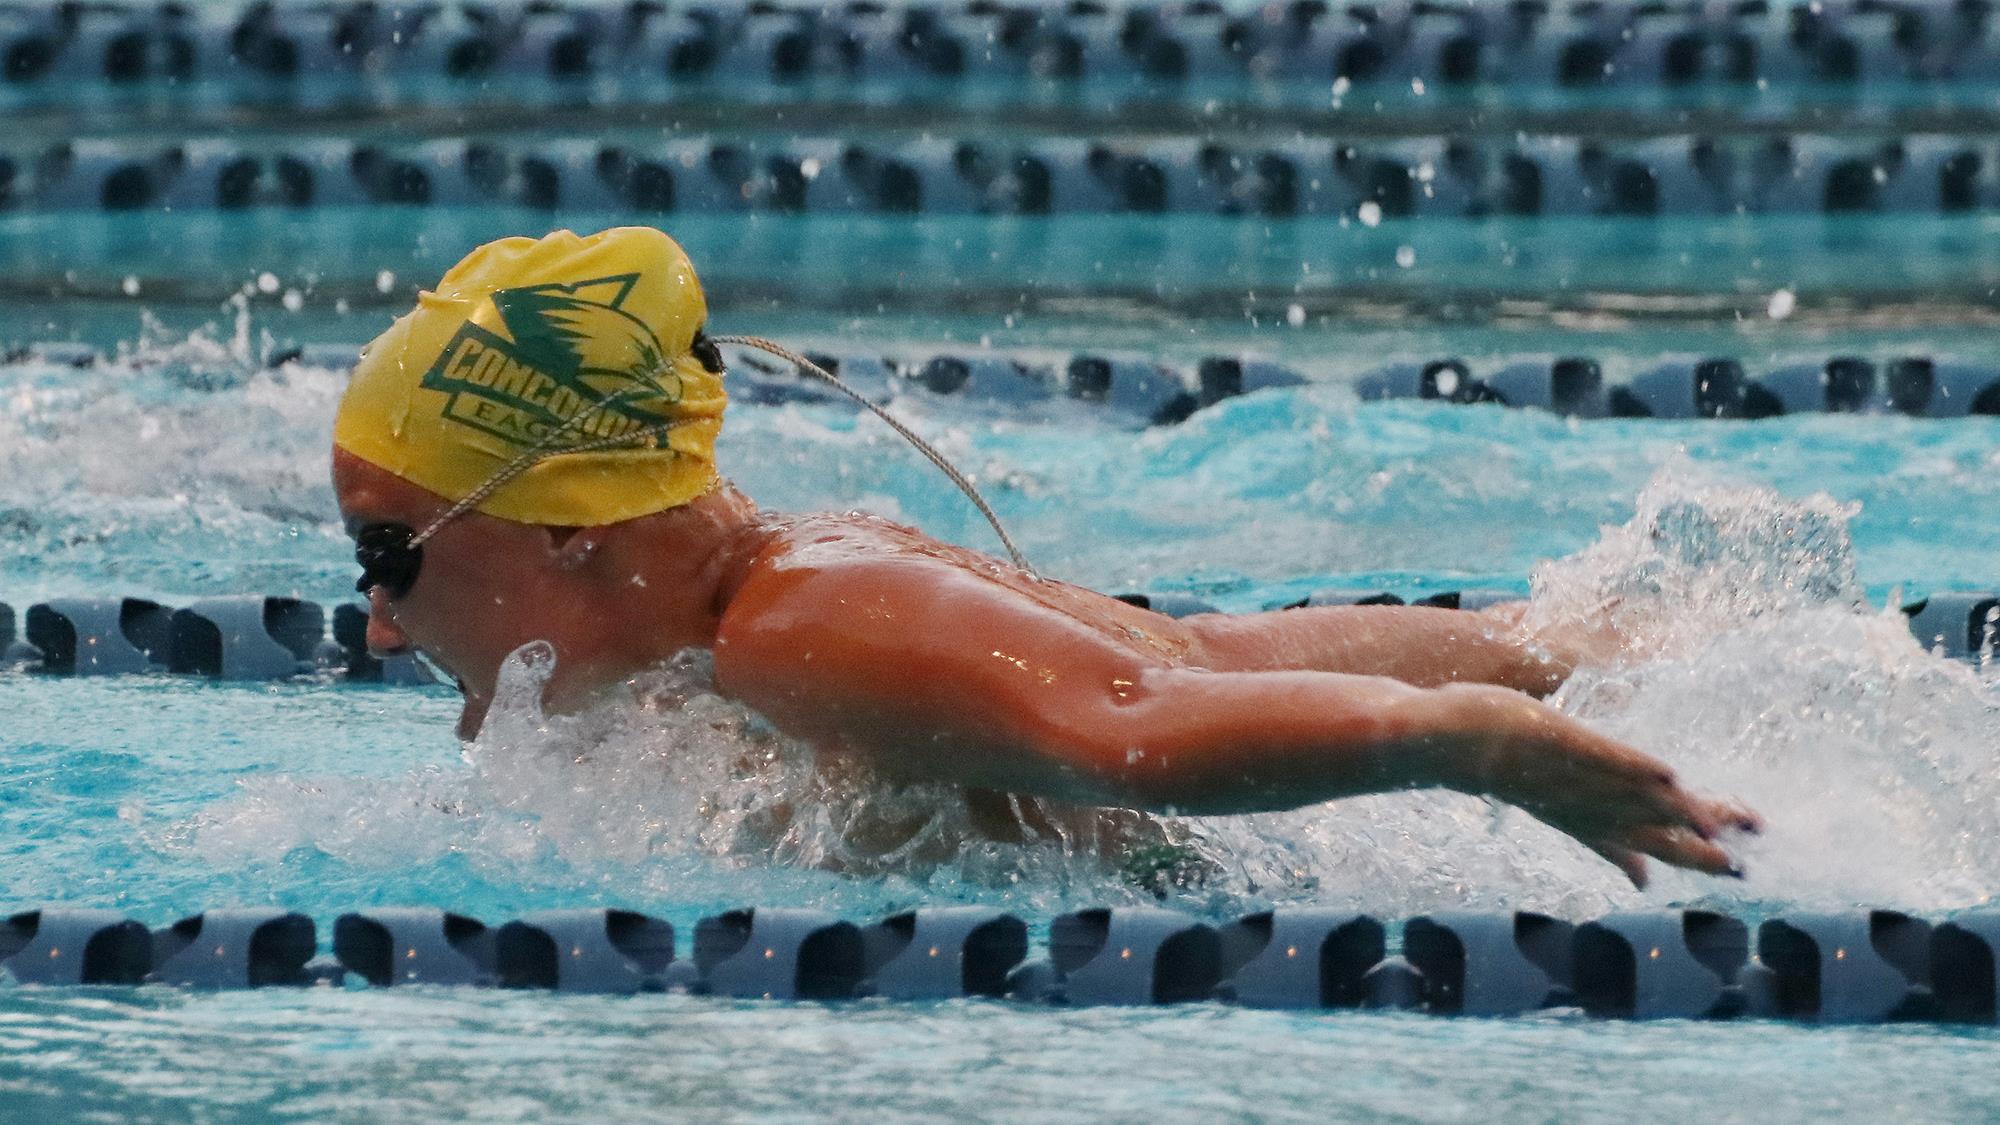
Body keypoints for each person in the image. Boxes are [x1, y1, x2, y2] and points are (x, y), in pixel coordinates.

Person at [332, 226, 1758, 888]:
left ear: (570, 520)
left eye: (386, 555)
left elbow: (1134, 719)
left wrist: (1479, 738)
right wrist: (1550, 641)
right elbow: (1209, 655)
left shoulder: (800, 628)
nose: (382, 625)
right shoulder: (763, 609)